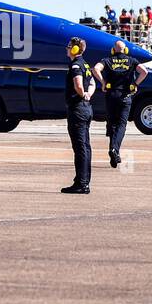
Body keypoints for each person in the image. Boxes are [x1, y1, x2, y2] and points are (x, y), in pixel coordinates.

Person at [94, 39, 148, 168]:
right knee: (121, 124)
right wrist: (135, 84)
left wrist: (103, 82)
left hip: (111, 95)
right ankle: (115, 149)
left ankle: (114, 153)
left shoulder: (107, 60)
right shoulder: (131, 60)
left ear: (113, 50)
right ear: (125, 50)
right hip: (125, 96)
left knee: (112, 124)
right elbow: (144, 72)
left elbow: (96, 69)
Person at [61, 37, 95, 194]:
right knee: (85, 146)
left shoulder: (75, 65)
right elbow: (92, 83)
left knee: (80, 147)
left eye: (69, 47)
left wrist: (82, 94)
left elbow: (78, 84)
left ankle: (82, 184)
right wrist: (88, 95)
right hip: (86, 109)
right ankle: (82, 180)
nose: (67, 49)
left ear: (75, 49)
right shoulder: (85, 64)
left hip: (78, 109)